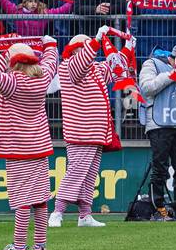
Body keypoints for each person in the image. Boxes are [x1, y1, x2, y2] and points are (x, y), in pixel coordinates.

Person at [0, 37, 58, 250]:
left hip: (18, 149)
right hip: (39, 147)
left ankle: (19, 246)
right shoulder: (42, 80)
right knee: (39, 198)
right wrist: (50, 45)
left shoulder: (12, 83)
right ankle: (40, 247)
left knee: (22, 199)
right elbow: (51, 61)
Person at [51, 30, 129, 228]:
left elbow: (115, 68)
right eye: (85, 46)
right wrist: (95, 41)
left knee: (89, 174)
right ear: (75, 49)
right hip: (81, 130)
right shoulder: (68, 66)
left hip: (97, 130)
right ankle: (57, 211)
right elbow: (82, 63)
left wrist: (129, 47)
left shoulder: (94, 68)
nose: (91, 50)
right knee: (77, 172)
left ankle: (85, 215)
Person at [138, 45, 176, 221]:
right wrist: (172, 74)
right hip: (159, 123)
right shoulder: (151, 63)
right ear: (172, 57)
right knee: (160, 168)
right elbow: (146, 88)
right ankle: (157, 207)